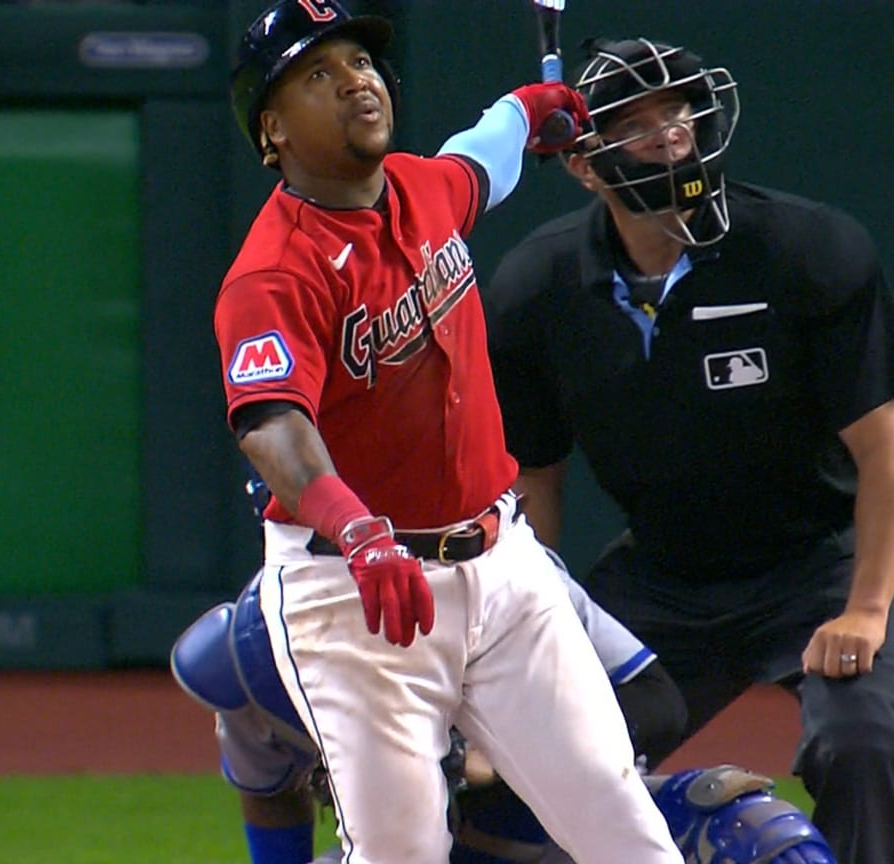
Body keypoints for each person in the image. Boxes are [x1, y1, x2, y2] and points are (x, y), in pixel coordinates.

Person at [213, 2, 682, 861]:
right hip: (356, 596)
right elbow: (272, 426)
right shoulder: (274, 272)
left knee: (623, 827)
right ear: (272, 130)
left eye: (360, 61)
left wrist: (530, 110)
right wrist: (357, 529)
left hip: (503, 570)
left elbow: (483, 155)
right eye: (318, 73)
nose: (355, 80)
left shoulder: (424, 188)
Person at [482, 37, 894, 863]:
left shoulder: (807, 248)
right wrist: (524, 635)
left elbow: (892, 449)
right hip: (663, 574)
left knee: (865, 742)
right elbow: (532, 479)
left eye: (679, 111)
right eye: (635, 124)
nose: (668, 134)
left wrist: (867, 610)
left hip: (821, 562)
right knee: (514, 756)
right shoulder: (536, 288)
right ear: (583, 166)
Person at [170, 553, 836, 864]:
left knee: (763, 839)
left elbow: (653, 703)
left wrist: (496, 760)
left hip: (562, 832)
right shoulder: (251, 657)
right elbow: (267, 793)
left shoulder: (507, 572)